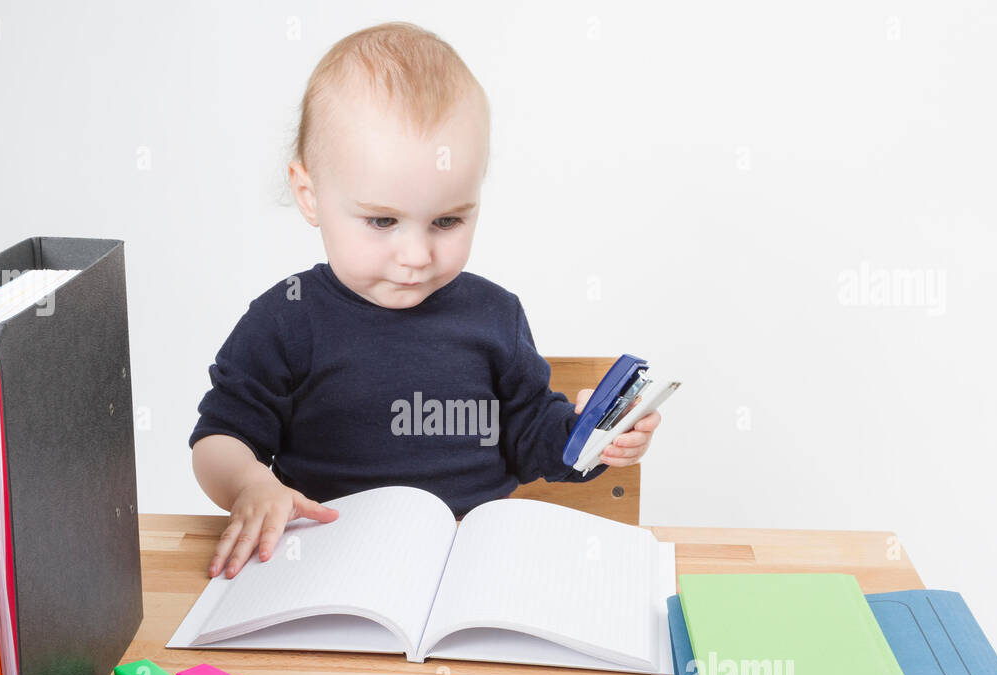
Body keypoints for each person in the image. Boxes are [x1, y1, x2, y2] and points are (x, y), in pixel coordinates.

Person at [192, 22, 660, 587]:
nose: (415, 255)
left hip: (472, 568)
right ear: (309, 194)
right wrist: (250, 485)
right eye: (382, 221)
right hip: (326, 567)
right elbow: (219, 439)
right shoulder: (286, 318)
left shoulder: (495, 315)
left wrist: (594, 437)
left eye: (447, 221)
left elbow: (534, 437)